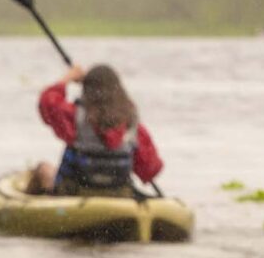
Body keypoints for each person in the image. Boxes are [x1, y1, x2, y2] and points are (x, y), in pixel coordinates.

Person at [27, 64, 163, 196]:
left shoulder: (75, 117)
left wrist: (68, 77)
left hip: (75, 192)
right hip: (119, 192)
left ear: (86, 91)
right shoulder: (131, 122)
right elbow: (150, 169)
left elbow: (47, 102)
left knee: (43, 169)